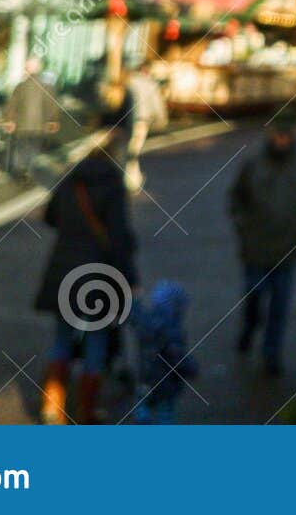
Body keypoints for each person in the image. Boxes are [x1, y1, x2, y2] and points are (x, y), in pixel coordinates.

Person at [33, 122, 138, 424]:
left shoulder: (72, 179)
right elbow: (118, 237)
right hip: (98, 275)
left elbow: (51, 216)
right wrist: (129, 278)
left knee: (63, 338)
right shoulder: (113, 184)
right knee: (96, 339)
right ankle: (86, 410)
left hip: (64, 268)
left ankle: (51, 405)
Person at [227, 116, 296, 375]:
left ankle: (271, 354)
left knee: (280, 305)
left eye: (287, 135)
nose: (282, 140)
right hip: (255, 248)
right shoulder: (252, 163)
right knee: (254, 295)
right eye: (278, 134)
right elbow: (236, 197)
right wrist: (243, 226)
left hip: (287, 249)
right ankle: (250, 327)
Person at [131, 280, 199, 423]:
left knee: (143, 409)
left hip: (144, 379)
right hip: (166, 385)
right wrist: (191, 368)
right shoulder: (173, 332)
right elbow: (177, 357)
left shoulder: (146, 322)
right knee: (165, 413)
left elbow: (135, 315)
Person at [5, 57, 61, 179]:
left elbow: (12, 105)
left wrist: (10, 120)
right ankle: (29, 171)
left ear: (28, 70)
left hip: (22, 125)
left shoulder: (20, 87)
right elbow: (51, 105)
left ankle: (20, 170)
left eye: (26, 67)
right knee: (33, 149)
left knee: (21, 147)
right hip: (39, 126)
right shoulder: (48, 87)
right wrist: (53, 121)